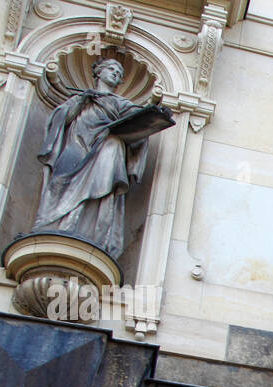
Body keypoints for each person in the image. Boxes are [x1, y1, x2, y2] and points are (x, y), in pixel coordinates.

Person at [31, 58, 171, 259]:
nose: (116, 74)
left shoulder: (120, 103)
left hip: (102, 151)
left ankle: (93, 234)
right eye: (111, 69)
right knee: (59, 182)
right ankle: (52, 226)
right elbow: (62, 118)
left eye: (119, 73)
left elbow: (139, 120)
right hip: (77, 145)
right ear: (99, 73)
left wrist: (157, 114)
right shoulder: (81, 98)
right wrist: (82, 101)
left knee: (112, 147)